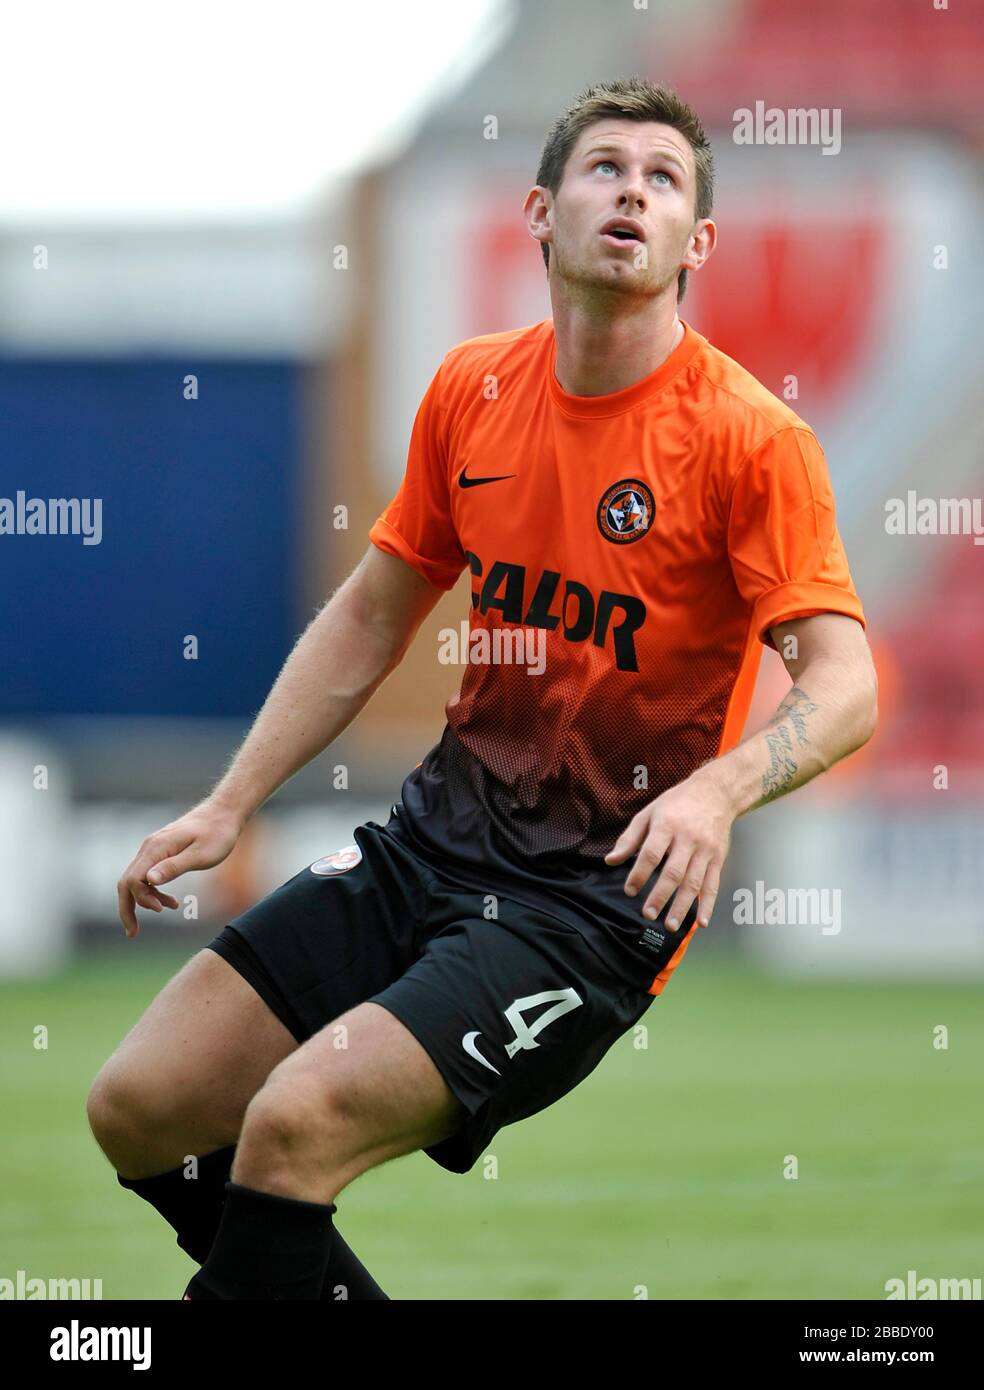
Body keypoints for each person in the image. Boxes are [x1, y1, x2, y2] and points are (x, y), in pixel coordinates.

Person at [87, 77, 878, 1301]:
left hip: (588, 904)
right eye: (605, 167)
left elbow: (845, 685)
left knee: (292, 1124)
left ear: (697, 243)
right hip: (428, 843)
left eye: (664, 179)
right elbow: (371, 612)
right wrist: (232, 802)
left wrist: (717, 795)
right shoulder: (473, 389)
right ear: (541, 212)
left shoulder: (749, 439)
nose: (633, 190)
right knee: (140, 1106)